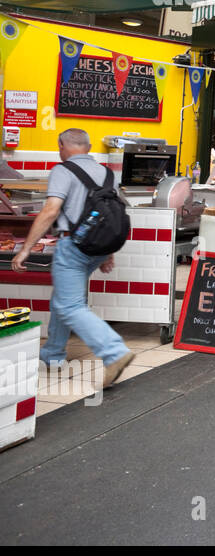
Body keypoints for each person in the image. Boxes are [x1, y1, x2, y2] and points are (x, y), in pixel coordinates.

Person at [12, 129, 136, 388]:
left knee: (70, 305)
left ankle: (114, 352)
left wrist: (26, 249)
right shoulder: (106, 173)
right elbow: (109, 213)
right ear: (89, 147)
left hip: (74, 247)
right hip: (98, 247)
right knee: (64, 298)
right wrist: (107, 252)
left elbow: (50, 210)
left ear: (61, 146)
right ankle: (53, 356)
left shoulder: (62, 170)